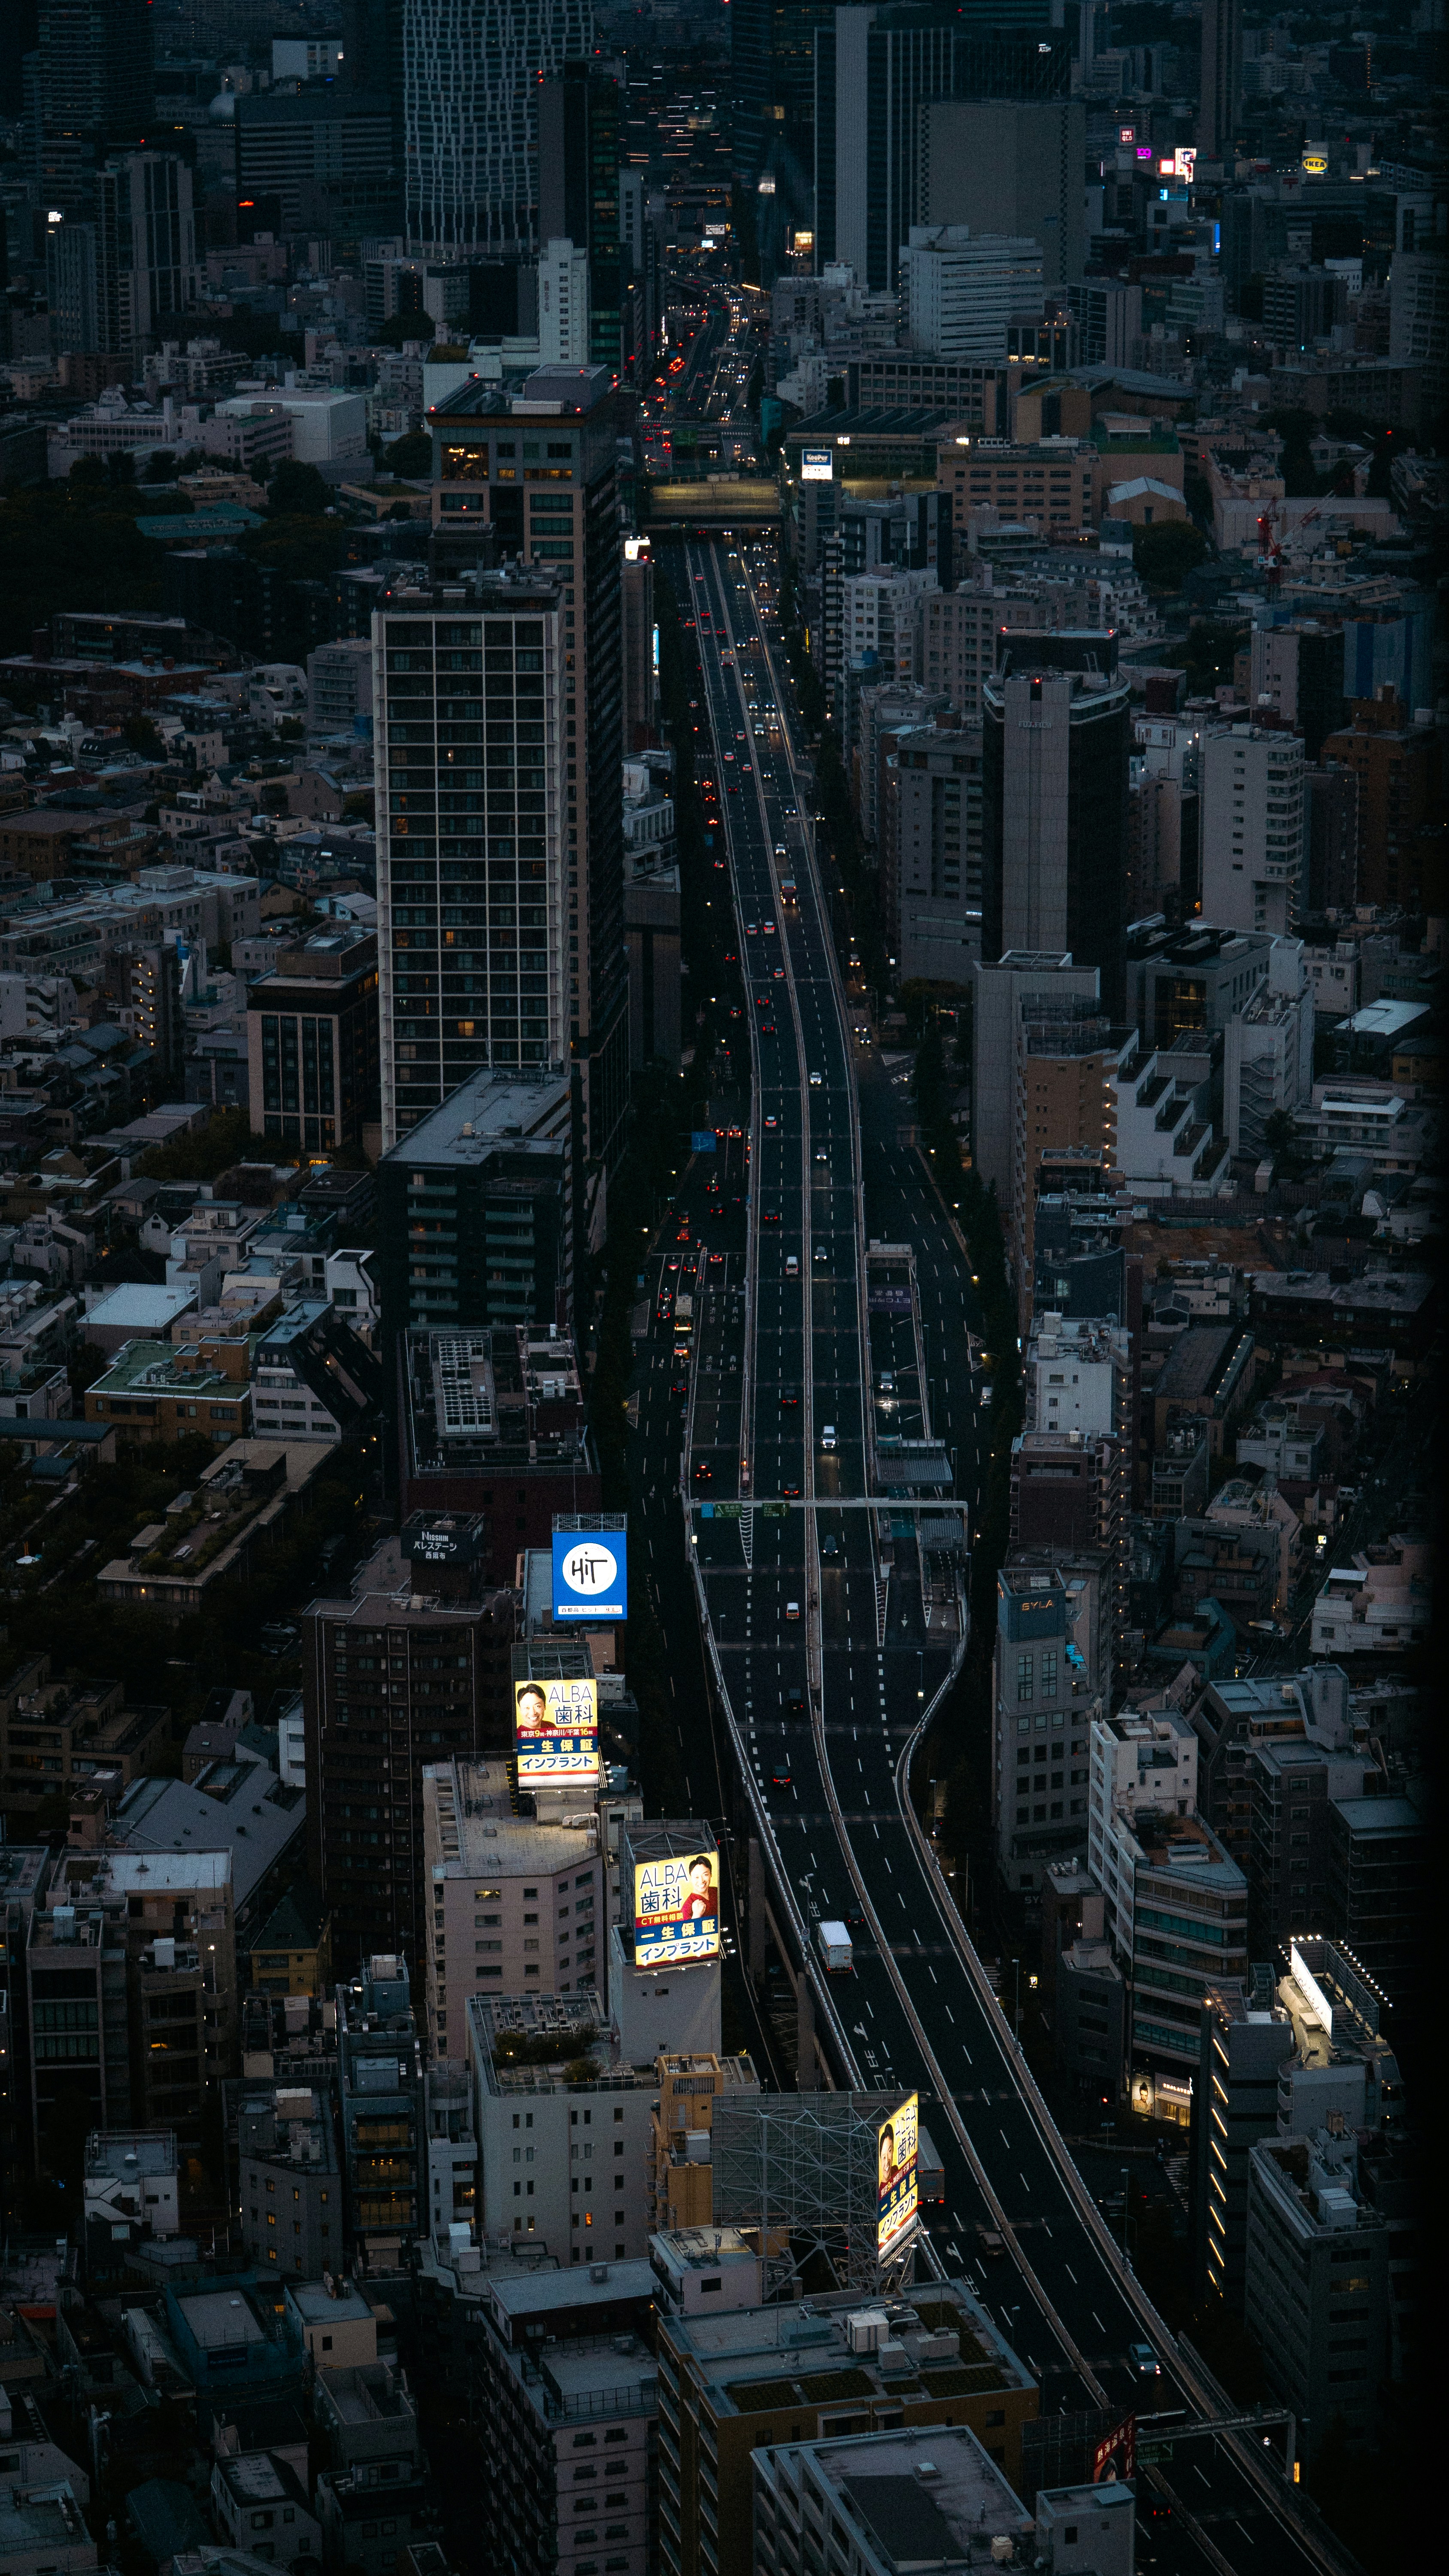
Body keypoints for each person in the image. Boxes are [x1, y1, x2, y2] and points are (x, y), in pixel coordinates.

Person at [682, 1855, 716, 1921]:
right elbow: (683, 1930)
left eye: (705, 1875)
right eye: (697, 1877)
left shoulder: (716, 1891)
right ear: (691, 1879)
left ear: (711, 1874)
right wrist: (696, 1916)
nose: (701, 1881)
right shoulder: (687, 1907)